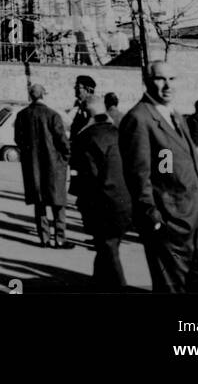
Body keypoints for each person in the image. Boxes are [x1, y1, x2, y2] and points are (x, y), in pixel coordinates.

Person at [118, 60, 198, 293]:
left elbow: (166, 166)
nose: (167, 85)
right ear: (147, 82)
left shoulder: (175, 116)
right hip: (169, 224)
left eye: (172, 79)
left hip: (195, 219)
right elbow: (139, 177)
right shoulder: (139, 119)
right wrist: (155, 220)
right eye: (160, 79)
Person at [71, 95, 131, 286]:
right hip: (125, 201)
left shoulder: (85, 137)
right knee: (107, 248)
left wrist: (80, 201)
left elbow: (85, 177)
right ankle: (98, 283)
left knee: (108, 248)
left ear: (84, 112)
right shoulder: (119, 132)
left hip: (101, 202)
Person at [14, 83, 72, 248]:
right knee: (58, 202)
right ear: (43, 95)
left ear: (30, 96)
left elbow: (18, 140)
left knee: (39, 202)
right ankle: (60, 238)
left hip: (33, 165)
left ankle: (44, 238)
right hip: (54, 164)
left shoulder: (22, 115)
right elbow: (63, 141)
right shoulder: (53, 115)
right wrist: (65, 158)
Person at [70, 75, 97, 142]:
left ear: (87, 89)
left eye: (78, 86)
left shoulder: (92, 102)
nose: (75, 88)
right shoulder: (79, 103)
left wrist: (80, 133)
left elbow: (93, 121)